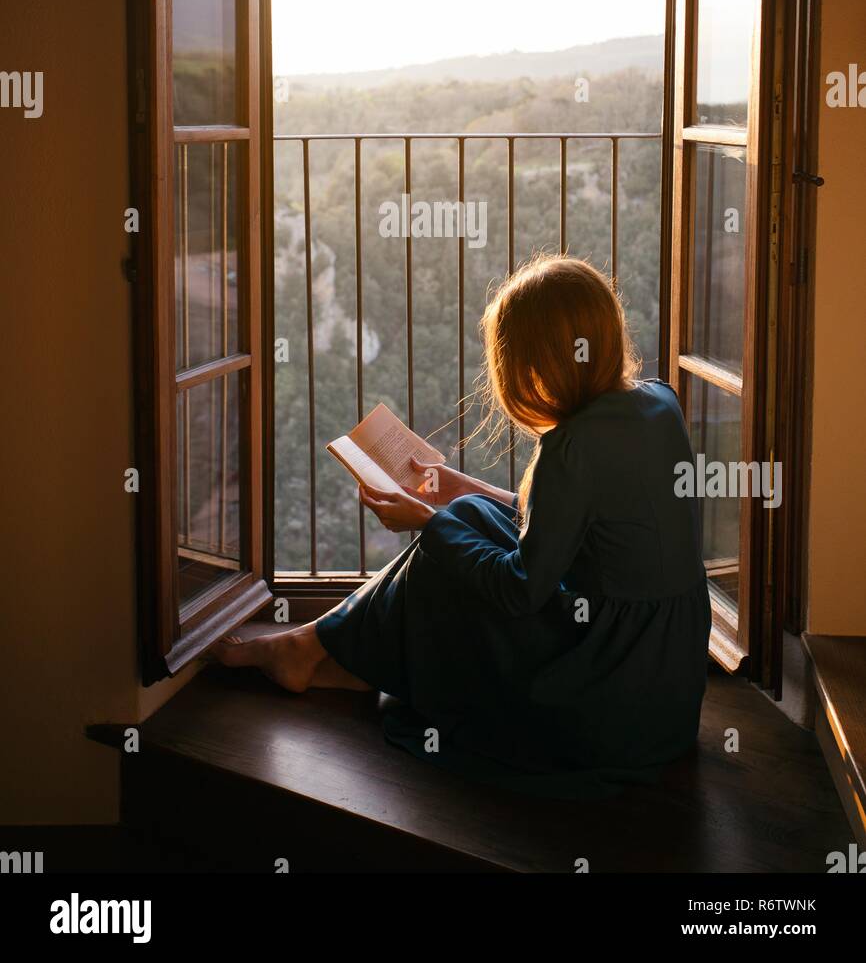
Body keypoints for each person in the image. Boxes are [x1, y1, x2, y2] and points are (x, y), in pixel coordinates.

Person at [216, 254, 711, 798]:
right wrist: (454, 486)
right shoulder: (658, 402)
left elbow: (521, 589)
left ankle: (310, 650)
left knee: (446, 540)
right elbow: (572, 528)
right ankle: (315, 647)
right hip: (666, 683)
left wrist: (427, 521)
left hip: (607, 692)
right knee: (467, 516)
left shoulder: (572, 448)